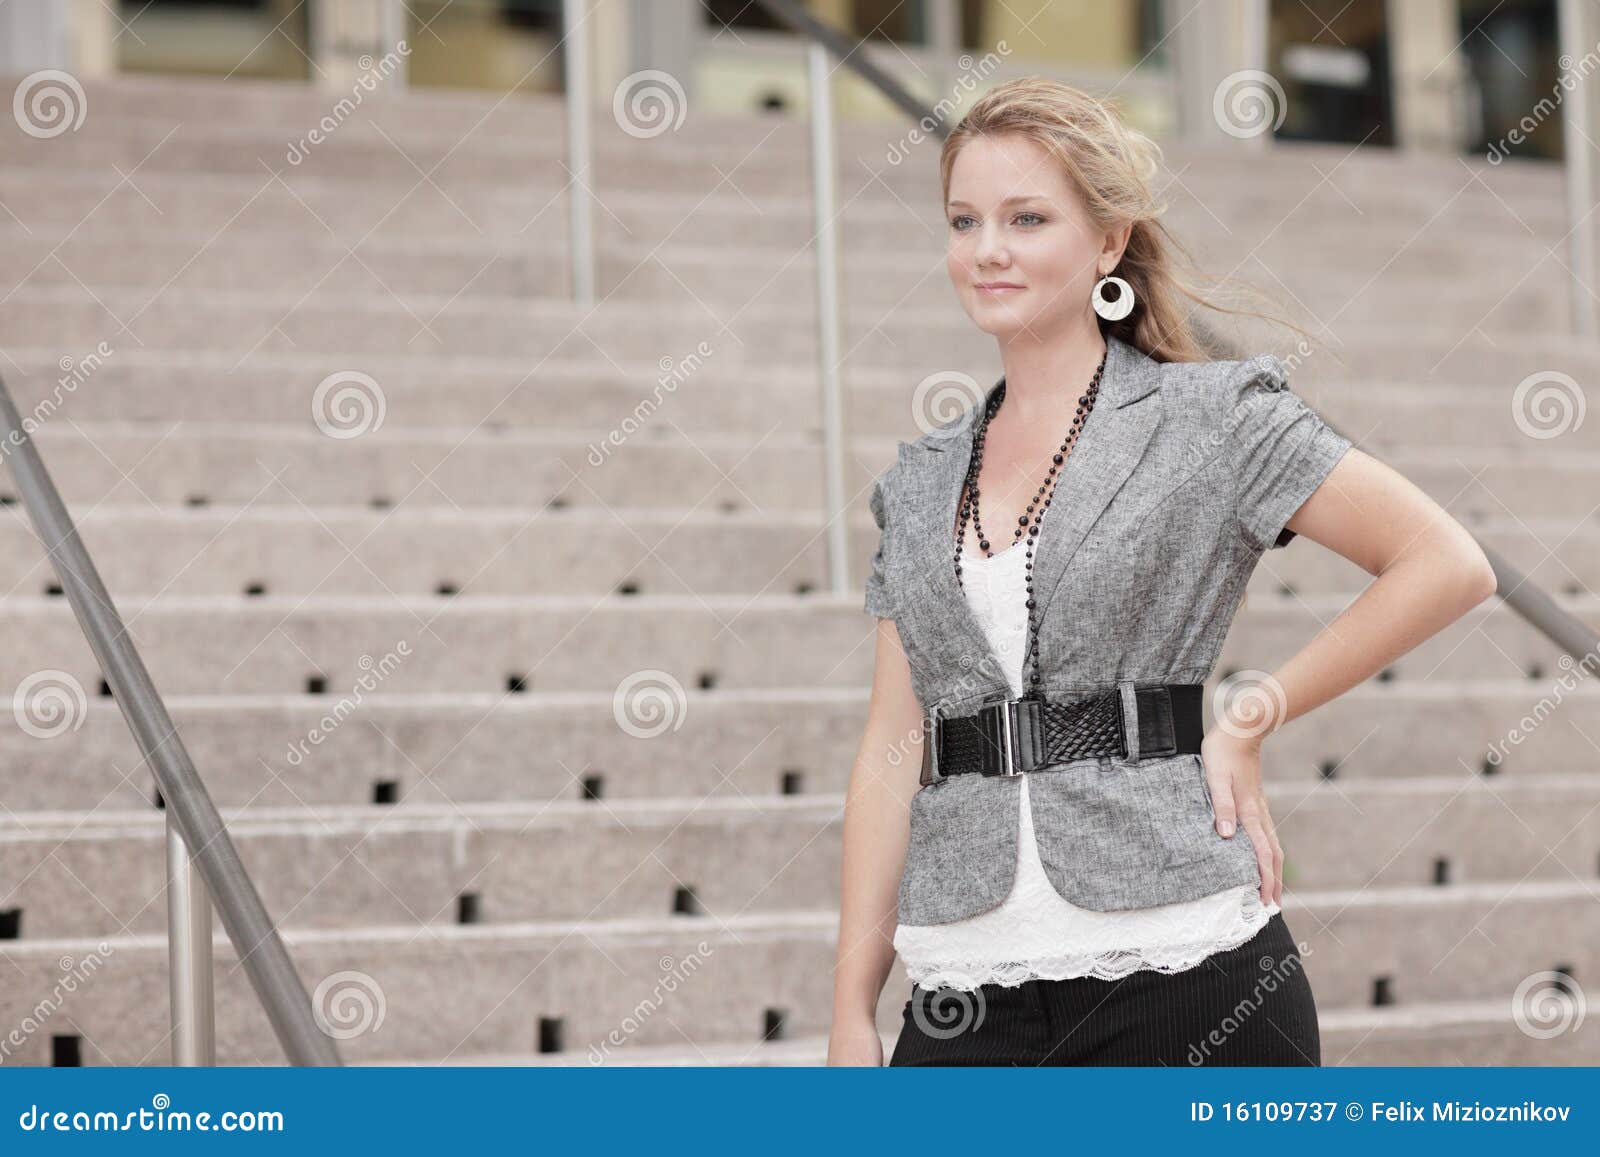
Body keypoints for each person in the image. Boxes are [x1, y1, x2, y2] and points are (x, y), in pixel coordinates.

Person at [826, 77, 1498, 1067]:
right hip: (965, 991)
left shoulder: (1212, 417)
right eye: (964, 221)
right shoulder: (920, 481)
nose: (987, 249)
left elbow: (1445, 562)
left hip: (1189, 972)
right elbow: (892, 744)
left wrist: (1252, 715)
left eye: (1026, 218)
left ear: (1109, 242)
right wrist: (852, 1004)